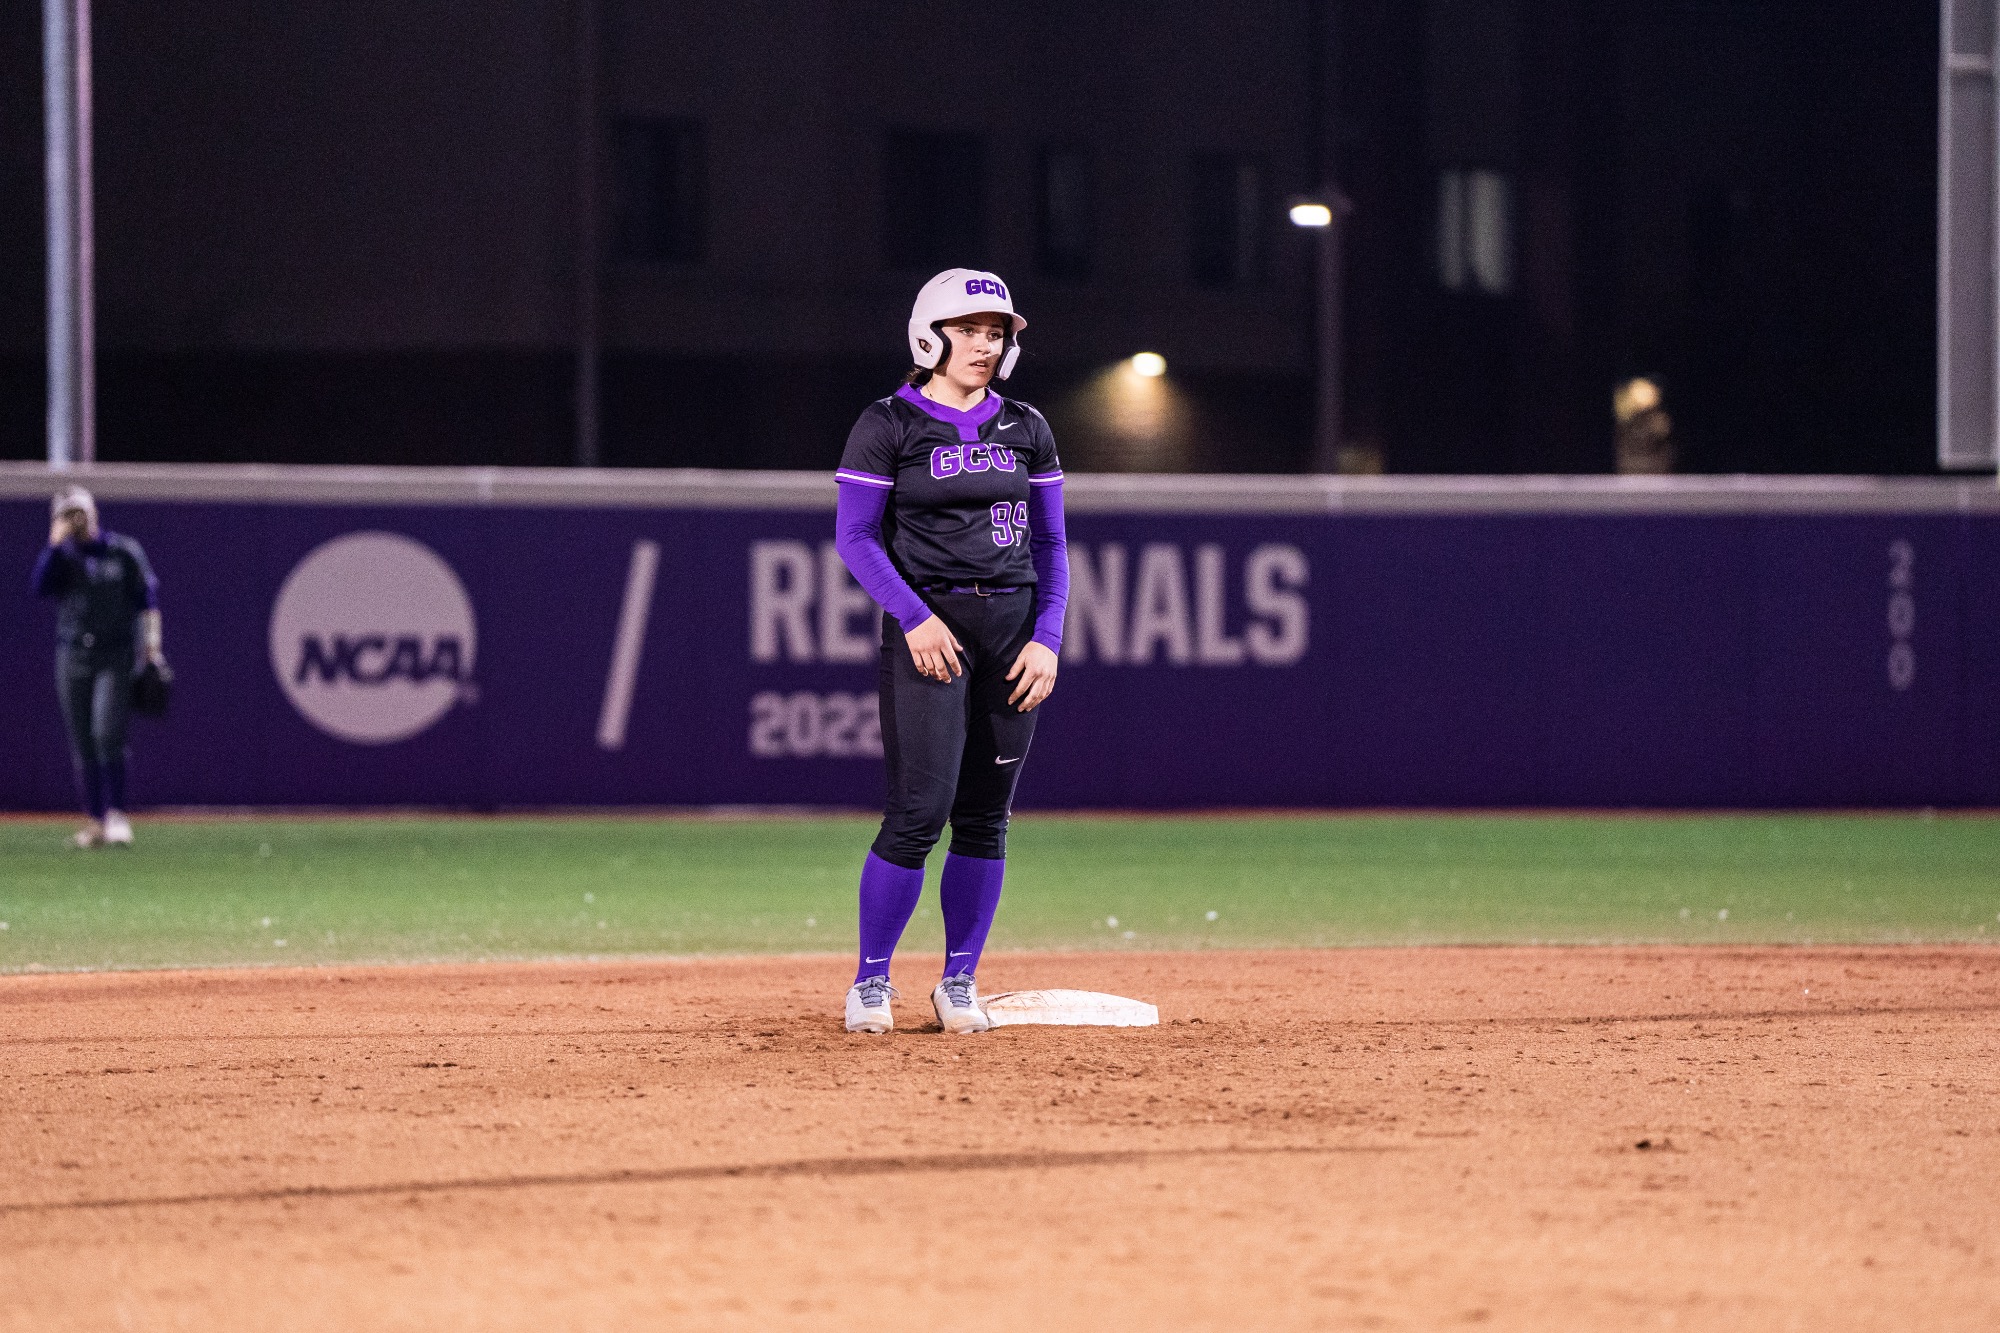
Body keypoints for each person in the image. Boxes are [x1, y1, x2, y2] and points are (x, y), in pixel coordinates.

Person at [832, 268, 1069, 1035]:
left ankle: (958, 980)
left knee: (986, 815)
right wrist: (913, 616)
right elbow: (855, 535)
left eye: (995, 333)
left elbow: (1051, 543)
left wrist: (1048, 636)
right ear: (929, 335)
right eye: (968, 330)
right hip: (929, 632)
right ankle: (871, 981)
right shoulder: (888, 422)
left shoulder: (1027, 425)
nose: (984, 344)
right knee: (918, 811)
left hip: (1013, 632)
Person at [31, 486, 163, 848]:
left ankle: (117, 813)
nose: (77, 520)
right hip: (73, 654)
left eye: (80, 512)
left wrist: (152, 650)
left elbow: (147, 600)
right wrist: (54, 544)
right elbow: (39, 587)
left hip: (114, 654)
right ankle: (94, 820)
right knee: (82, 741)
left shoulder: (122, 551)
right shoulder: (64, 556)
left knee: (106, 732)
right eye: (68, 514)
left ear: (93, 512)